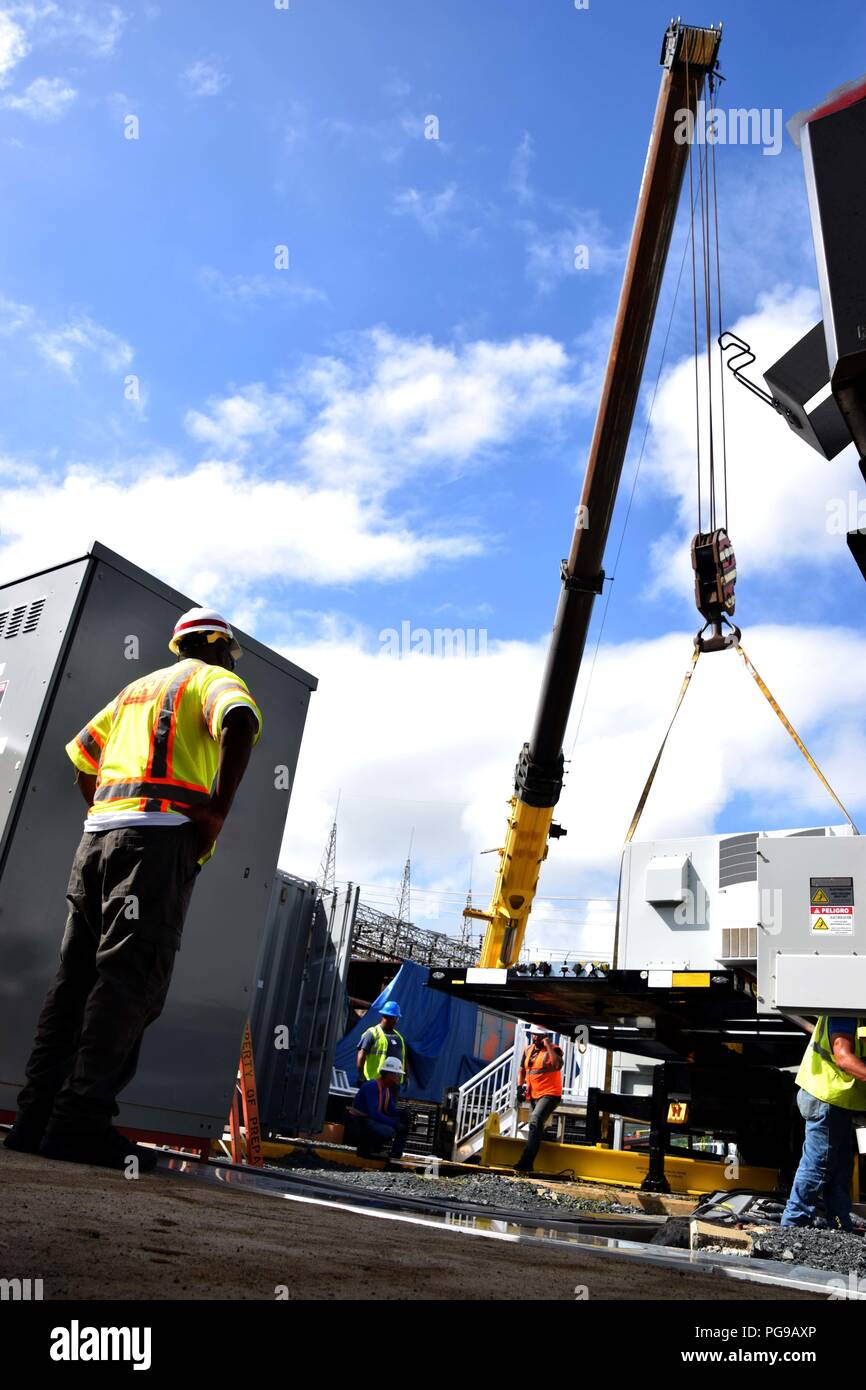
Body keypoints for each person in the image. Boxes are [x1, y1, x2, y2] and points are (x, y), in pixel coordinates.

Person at [4, 607, 262, 1172]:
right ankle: (79, 1122)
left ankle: (34, 1120)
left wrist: (106, 813)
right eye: (227, 652)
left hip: (97, 842)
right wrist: (215, 811)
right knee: (130, 979)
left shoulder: (136, 689)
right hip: (156, 844)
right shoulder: (213, 679)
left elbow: (81, 757)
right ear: (217, 645)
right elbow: (239, 720)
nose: (228, 661)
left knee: (75, 980)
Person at [782, 1015, 866, 1231]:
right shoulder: (844, 1008)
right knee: (819, 1165)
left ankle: (839, 1225)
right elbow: (844, 1057)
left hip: (839, 1100)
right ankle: (792, 1225)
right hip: (826, 1096)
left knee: (840, 1168)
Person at [513, 1024, 564, 1174]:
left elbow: (557, 1065)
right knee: (534, 1126)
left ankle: (525, 1162)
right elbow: (522, 1070)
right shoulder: (528, 1050)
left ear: (544, 1036)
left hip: (550, 1094)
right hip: (534, 1094)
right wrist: (519, 1087)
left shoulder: (554, 1049)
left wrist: (547, 1044)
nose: (534, 1037)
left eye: (537, 1035)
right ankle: (532, 1156)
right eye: (533, 1034)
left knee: (535, 1120)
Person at [346, 1056, 411, 1159]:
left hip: (368, 1120)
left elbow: (391, 1110)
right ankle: (365, 1149)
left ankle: (394, 1155)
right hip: (359, 1123)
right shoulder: (372, 1086)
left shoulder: (386, 1089)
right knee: (389, 1130)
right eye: (397, 1074)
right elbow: (374, 1113)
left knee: (403, 1124)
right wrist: (395, 1124)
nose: (399, 1077)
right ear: (389, 1074)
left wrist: (402, 1113)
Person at [356, 1000, 407, 1086]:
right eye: (395, 1018)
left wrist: (405, 1077)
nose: (396, 1021)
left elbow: (404, 1058)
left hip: (394, 1083)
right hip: (375, 1081)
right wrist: (361, 1075)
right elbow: (361, 1055)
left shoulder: (399, 1037)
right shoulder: (372, 1033)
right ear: (388, 1017)